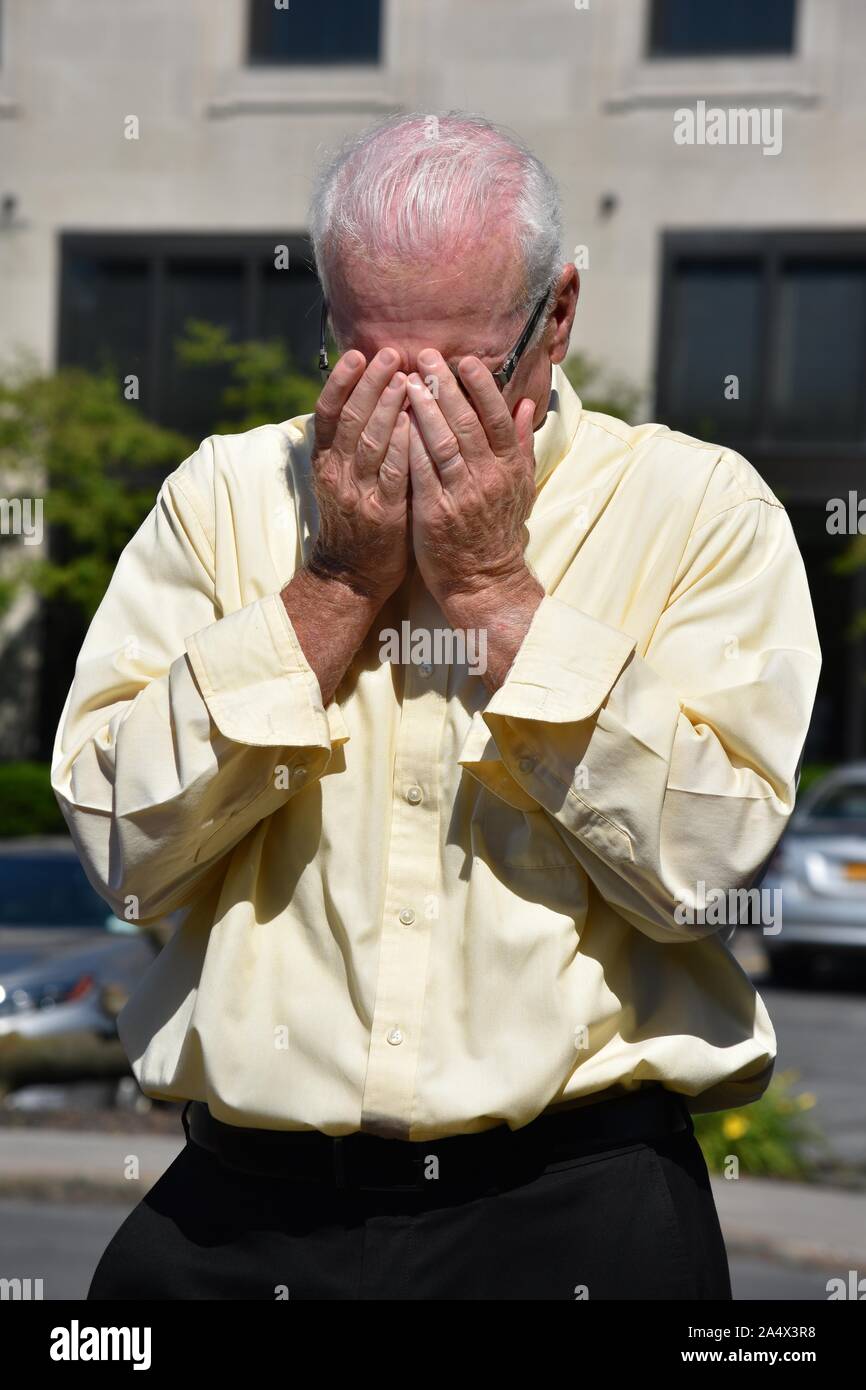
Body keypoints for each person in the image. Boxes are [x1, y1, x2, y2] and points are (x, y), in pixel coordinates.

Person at [52, 112, 821, 1301]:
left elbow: (703, 864)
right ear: (327, 319)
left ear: (554, 316)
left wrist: (495, 594)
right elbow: (119, 845)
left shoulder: (699, 510)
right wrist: (333, 589)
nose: (410, 414)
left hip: (576, 1211)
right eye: (366, 362)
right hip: (244, 1214)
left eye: (463, 371)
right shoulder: (224, 496)